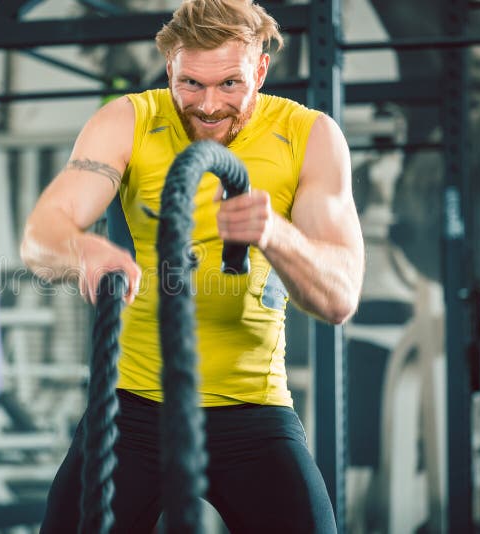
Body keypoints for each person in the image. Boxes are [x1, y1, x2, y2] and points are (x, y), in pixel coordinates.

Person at [20, 0, 364, 531]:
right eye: (191, 84)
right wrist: (80, 250)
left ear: (260, 71)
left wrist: (274, 233)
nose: (208, 105)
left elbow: (340, 299)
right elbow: (40, 236)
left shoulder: (309, 135)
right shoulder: (129, 120)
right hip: (133, 410)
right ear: (170, 70)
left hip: (253, 409)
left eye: (230, 84)